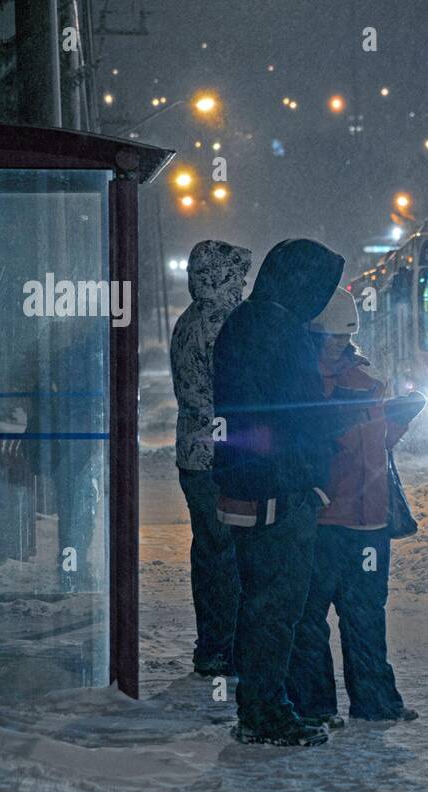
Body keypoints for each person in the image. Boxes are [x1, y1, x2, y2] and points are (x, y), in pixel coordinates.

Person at [213, 239, 348, 746]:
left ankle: (266, 706)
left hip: (253, 485)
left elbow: (242, 418)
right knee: (276, 607)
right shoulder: (277, 332)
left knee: (262, 603)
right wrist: (306, 474)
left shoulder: (245, 324)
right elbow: (290, 416)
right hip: (277, 493)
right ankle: (264, 713)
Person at [287, 290, 423, 724]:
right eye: (331, 338)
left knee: (365, 613)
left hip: (369, 522)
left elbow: (374, 447)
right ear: (312, 335)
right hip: (326, 520)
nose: (339, 346)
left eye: (345, 338)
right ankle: (316, 708)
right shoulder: (304, 385)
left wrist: (399, 418)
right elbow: (314, 450)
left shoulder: (366, 380)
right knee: (312, 620)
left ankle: (376, 703)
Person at [169, 240, 252, 676]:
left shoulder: (188, 320)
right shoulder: (222, 323)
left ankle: (212, 645)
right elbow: (235, 393)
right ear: (222, 277)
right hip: (219, 456)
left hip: (193, 453)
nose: (242, 285)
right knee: (227, 555)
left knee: (209, 551)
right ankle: (223, 649)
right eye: (237, 277)